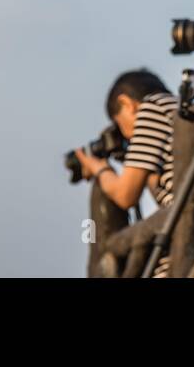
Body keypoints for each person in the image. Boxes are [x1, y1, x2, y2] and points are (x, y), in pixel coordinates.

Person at [74, 69, 178, 276]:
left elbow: (125, 195)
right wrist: (138, 162)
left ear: (127, 104)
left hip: (174, 261)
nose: (128, 137)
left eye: (121, 126)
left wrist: (100, 168)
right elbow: (168, 191)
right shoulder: (178, 110)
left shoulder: (152, 109)